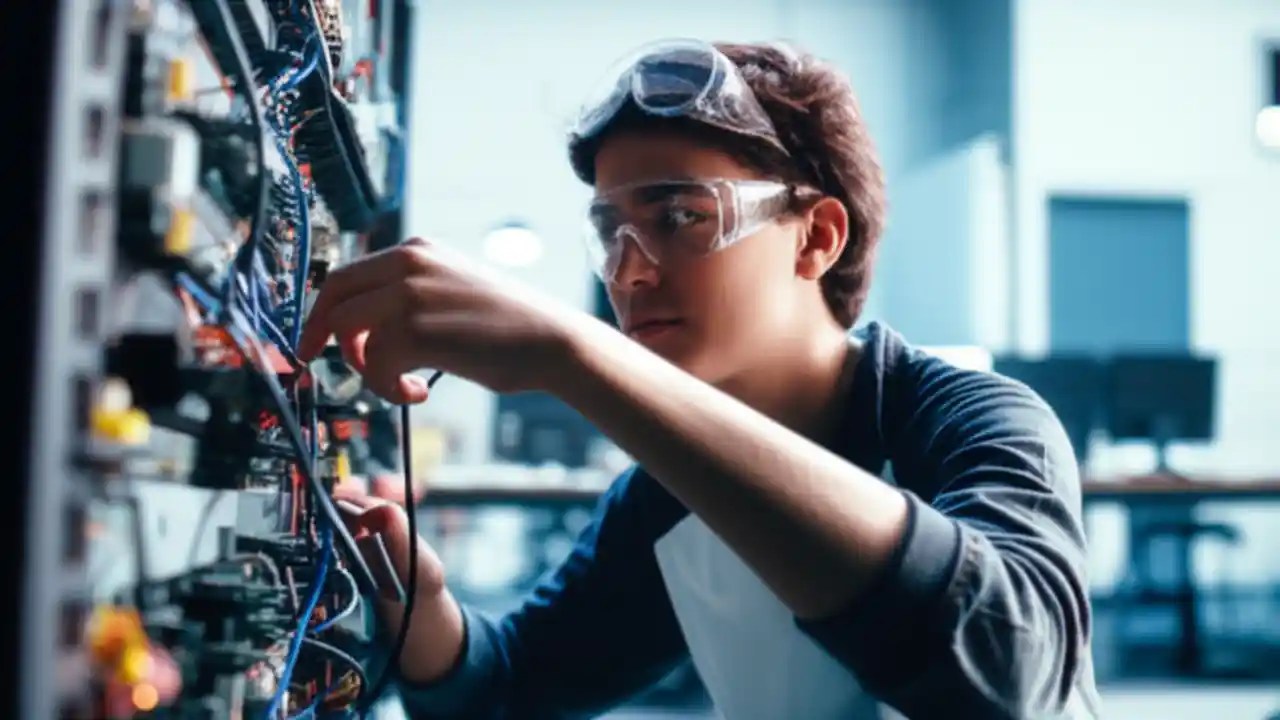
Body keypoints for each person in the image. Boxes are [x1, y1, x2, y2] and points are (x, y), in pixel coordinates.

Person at [301, 38, 1102, 719]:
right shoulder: (667, 496)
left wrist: (576, 355)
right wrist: (421, 599)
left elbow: (1008, 669)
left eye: (680, 217)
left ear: (816, 238)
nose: (627, 273)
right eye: (611, 230)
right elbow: (514, 687)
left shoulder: (978, 421)